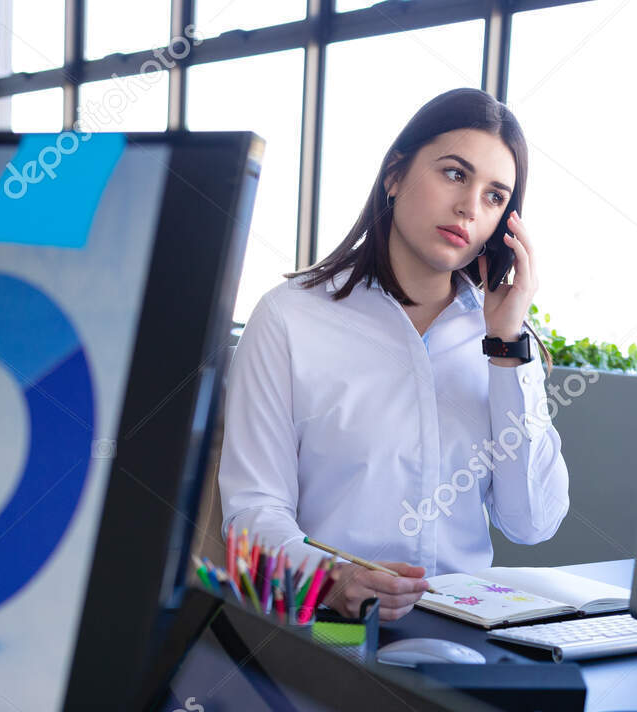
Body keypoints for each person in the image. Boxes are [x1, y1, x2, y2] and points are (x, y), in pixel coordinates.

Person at [218, 87, 569, 621]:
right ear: (395, 175)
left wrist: (505, 348)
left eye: (495, 196)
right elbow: (251, 510)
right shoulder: (289, 318)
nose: (469, 207)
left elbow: (532, 523)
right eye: (455, 173)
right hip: (327, 630)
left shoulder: (502, 339)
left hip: (463, 638)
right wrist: (329, 579)